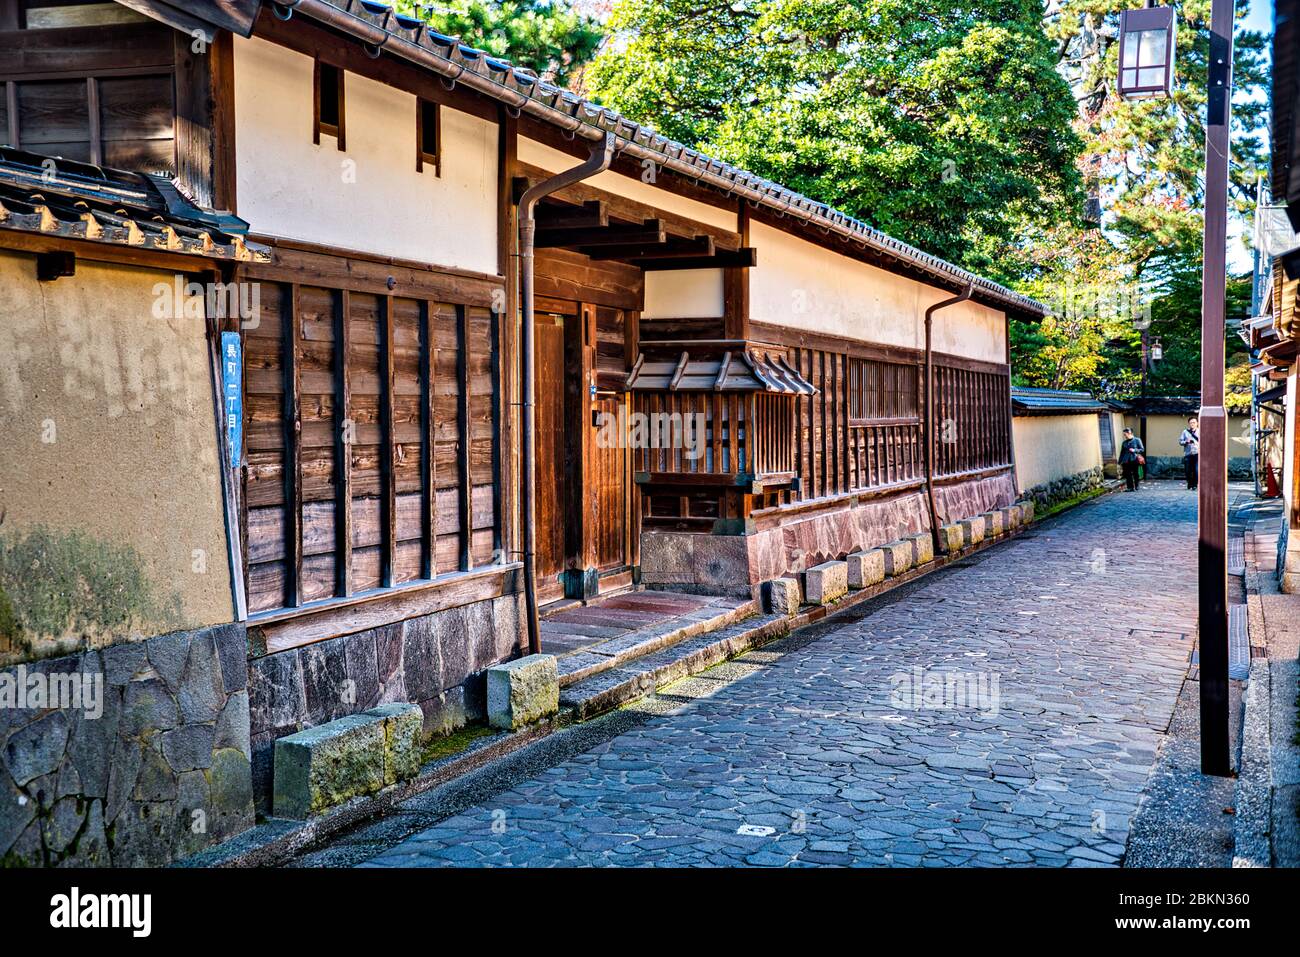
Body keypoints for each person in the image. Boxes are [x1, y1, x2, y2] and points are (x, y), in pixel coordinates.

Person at [1119, 427, 1145, 491]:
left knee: (1136, 474)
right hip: (1126, 461)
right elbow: (1122, 452)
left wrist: (1134, 450)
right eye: (1124, 435)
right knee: (1128, 475)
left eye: (1125, 434)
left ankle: (1137, 486)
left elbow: (1142, 449)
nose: (1124, 436)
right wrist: (1120, 461)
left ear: (1129, 433)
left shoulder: (1137, 440)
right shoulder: (1124, 443)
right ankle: (1130, 487)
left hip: (1134, 459)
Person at [1180, 415, 1200, 490]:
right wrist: (1186, 441)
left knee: (1196, 470)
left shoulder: (1200, 431)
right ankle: (1190, 483)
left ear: (1197, 423)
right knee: (1187, 470)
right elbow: (1180, 442)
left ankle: (1195, 484)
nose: (1192, 424)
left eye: (1194, 422)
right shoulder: (1185, 432)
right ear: (1189, 423)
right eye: (1191, 423)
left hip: (1197, 453)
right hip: (1188, 453)